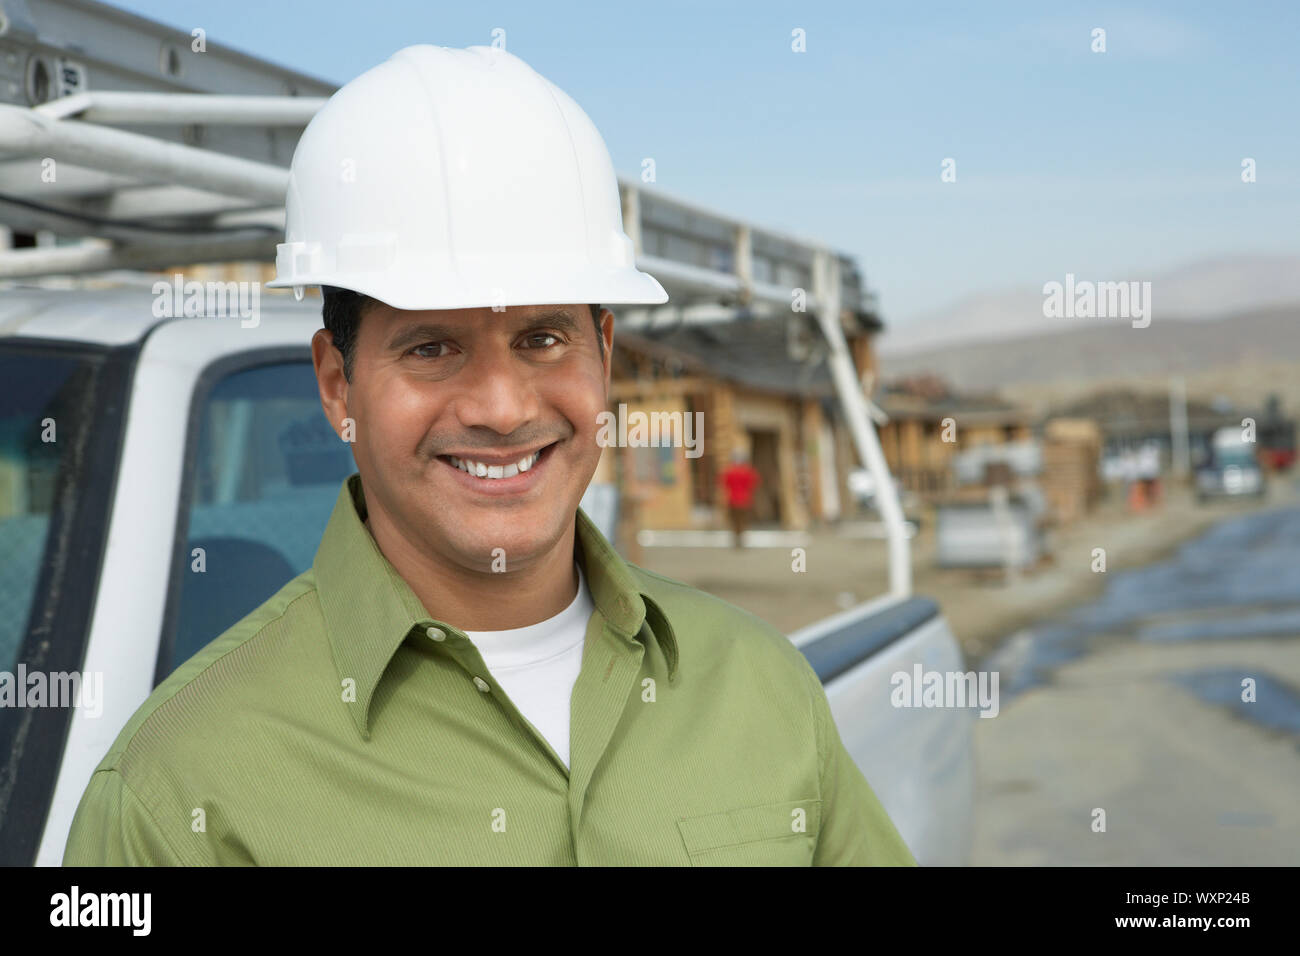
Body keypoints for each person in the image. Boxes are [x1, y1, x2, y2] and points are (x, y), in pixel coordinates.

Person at [62, 45, 915, 866]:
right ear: (336, 384)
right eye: (431, 347)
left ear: (604, 355)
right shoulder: (178, 796)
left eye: (543, 337)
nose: (504, 409)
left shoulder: (759, 685)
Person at [719, 448, 761, 547]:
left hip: (732, 500)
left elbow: (724, 484)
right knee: (743, 520)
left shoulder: (729, 471)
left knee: (734, 521)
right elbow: (755, 483)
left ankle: (736, 538)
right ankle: (742, 538)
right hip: (745, 500)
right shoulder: (748, 471)